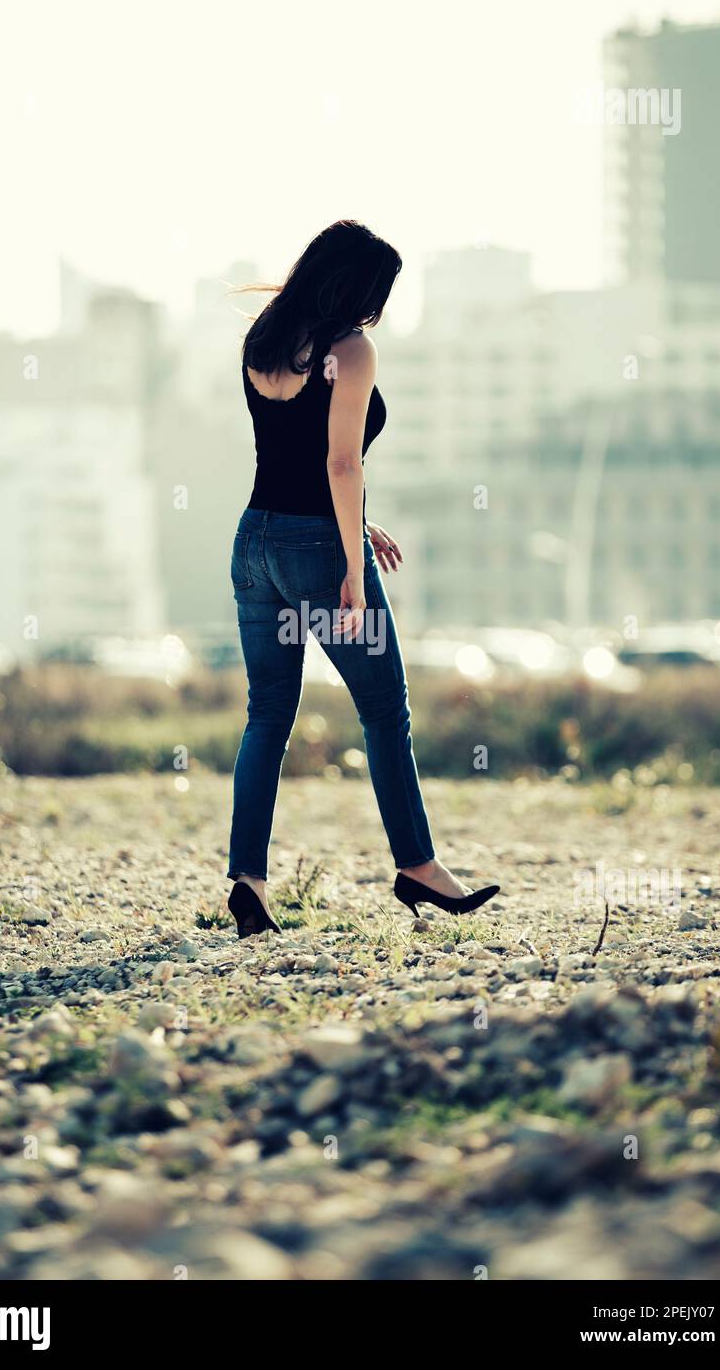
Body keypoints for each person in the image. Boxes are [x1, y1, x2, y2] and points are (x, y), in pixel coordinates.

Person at [227, 220, 499, 939]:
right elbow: (340, 463)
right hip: (318, 553)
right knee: (385, 709)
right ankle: (417, 866)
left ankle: (247, 880)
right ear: (358, 286)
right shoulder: (350, 350)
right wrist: (351, 563)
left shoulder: (263, 340)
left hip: (255, 544)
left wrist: (357, 527)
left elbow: (291, 456)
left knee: (268, 714)